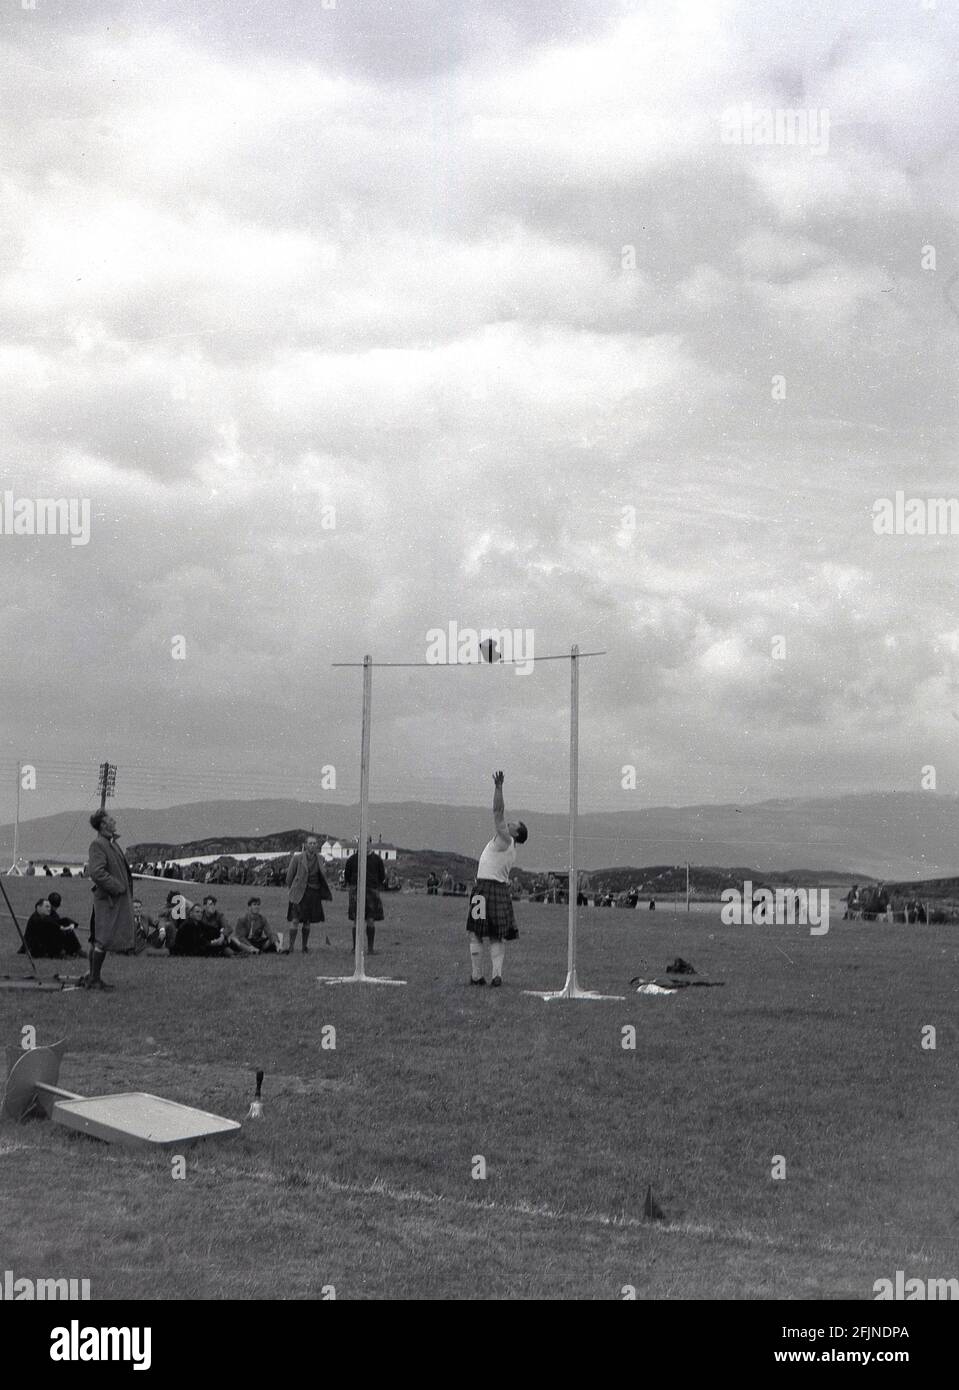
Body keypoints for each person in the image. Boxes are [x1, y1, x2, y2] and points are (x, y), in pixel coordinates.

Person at [466, 770, 528, 987]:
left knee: (476, 932)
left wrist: (498, 788)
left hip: (484, 890)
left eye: (514, 824)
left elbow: (498, 812)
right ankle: (496, 974)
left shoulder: (505, 839)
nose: (509, 823)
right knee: (495, 935)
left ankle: (476, 975)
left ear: (516, 834)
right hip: (499, 891)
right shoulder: (510, 847)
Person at [85, 809, 135, 990]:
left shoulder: (111, 843)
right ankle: (94, 979)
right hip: (108, 900)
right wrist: (118, 887)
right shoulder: (99, 844)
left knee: (99, 939)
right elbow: (97, 872)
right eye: (110, 820)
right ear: (103, 825)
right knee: (103, 940)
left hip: (111, 900)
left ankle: (93, 977)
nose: (114, 821)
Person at [284, 836, 332, 953]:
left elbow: (322, 876)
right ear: (305, 844)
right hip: (299, 893)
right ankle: (291, 946)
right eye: (310, 843)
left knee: (307, 921)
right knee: (295, 920)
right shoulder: (297, 858)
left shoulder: (320, 858)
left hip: (314, 893)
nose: (312, 845)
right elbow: (289, 877)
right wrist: (294, 890)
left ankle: (304, 947)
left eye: (314, 843)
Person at [344, 840, 386, 956]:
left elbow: (382, 876)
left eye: (367, 842)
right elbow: (347, 876)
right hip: (356, 891)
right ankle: (355, 948)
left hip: (371, 892)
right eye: (362, 842)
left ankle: (370, 949)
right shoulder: (352, 859)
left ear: (370, 844)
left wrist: (372, 886)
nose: (364, 845)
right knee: (356, 921)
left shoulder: (377, 860)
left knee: (371, 920)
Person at [46, 892, 83, 956]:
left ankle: (76, 950)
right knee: (67, 930)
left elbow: (62, 921)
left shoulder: (52, 914)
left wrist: (71, 924)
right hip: (46, 944)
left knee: (67, 925)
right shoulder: (46, 914)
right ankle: (76, 950)